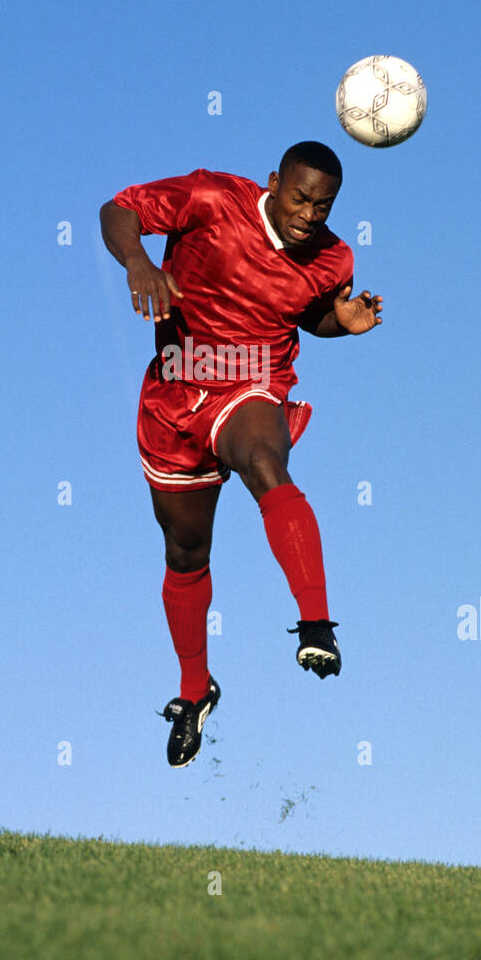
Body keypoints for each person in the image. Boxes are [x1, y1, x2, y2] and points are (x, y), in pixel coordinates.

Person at [99, 140, 382, 768]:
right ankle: (196, 692)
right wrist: (138, 263)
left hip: (254, 380)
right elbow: (118, 209)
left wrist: (341, 321)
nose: (310, 213)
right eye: (300, 197)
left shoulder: (335, 258)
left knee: (265, 463)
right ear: (274, 183)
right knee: (185, 550)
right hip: (176, 388)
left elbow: (310, 314)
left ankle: (316, 624)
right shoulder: (212, 198)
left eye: (324, 204)